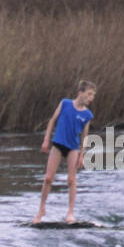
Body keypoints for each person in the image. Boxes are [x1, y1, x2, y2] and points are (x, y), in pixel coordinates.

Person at [33, 80, 96, 224]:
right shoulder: (65, 103)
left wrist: (82, 154)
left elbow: (85, 136)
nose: (91, 98)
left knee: (71, 180)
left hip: (73, 148)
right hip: (58, 144)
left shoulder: (87, 115)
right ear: (80, 93)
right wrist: (46, 140)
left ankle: (70, 213)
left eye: (93, 96)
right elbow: (52, 121)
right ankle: (41, 210)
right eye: (89, 94)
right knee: (48, 178)